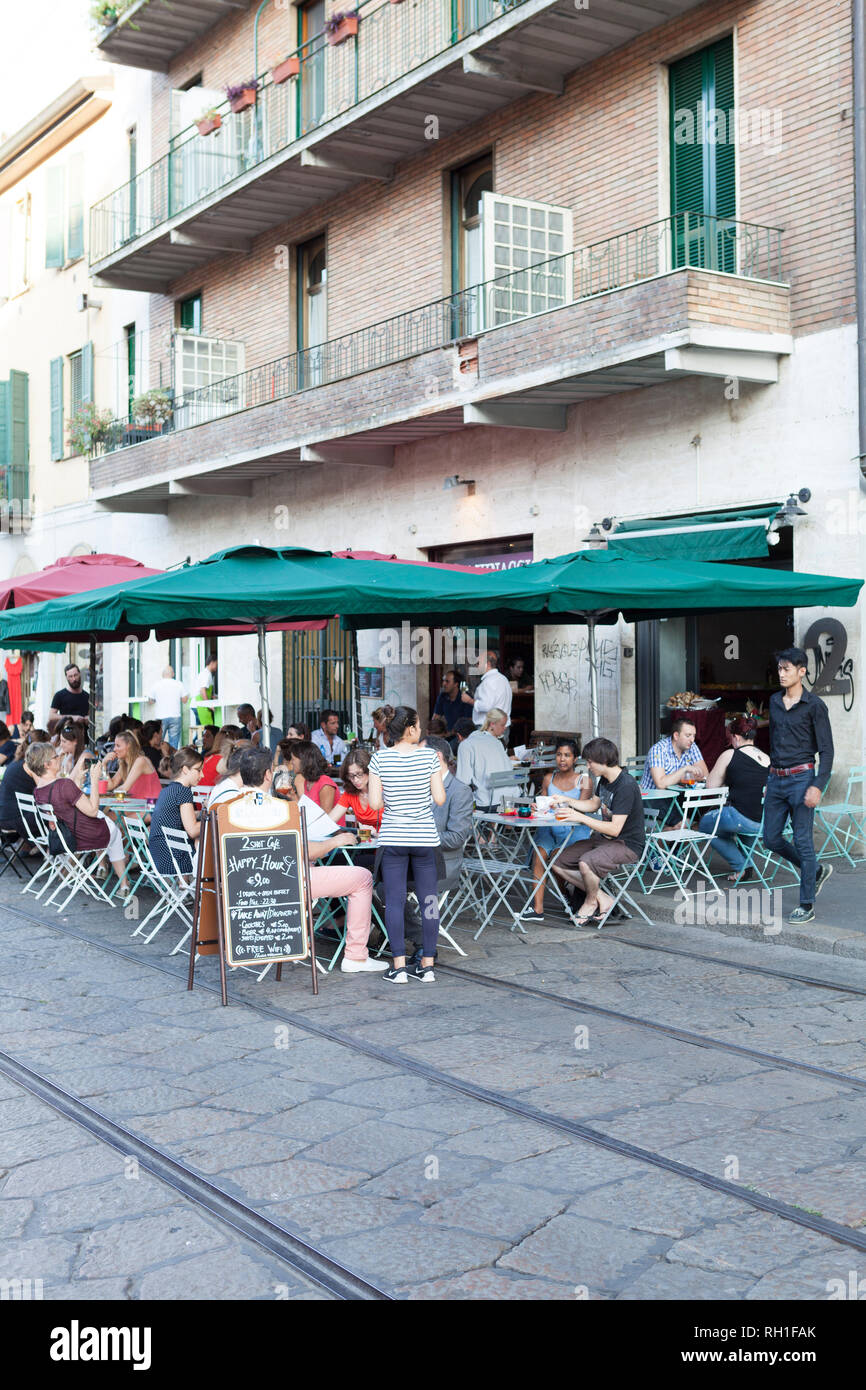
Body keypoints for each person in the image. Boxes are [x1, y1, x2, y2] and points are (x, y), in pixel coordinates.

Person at [235, 747, 387, 974]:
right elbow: (307, 852)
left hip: (251, 888)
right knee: (363, 878)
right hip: (290, 880)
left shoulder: (231, 807)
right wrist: (334, 843)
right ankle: (356, 956)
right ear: (268, 775)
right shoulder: (278, 809)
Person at [368, 706, 446, 983]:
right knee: (429, 902)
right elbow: (439, 798)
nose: (422, 729)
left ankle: (399, 966)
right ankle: (427, 965)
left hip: (393, 838)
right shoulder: (429, 757)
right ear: (410, 729)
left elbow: (375, 804)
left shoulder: (379, 759)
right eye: (419, 725)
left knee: (395, 902)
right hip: (424, 838)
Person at [763, 646, 834, 923]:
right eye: (779, 669)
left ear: (801, 671)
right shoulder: (774, 702)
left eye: (786, 669)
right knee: (770, 838)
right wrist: (770, 775)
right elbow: (774, 741)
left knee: (802, 840)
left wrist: (818, 785)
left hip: (803, 778)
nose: (781, 674)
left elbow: (827, 751)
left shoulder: (815, 705)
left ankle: (806, 904)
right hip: (777, 779)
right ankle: (814, 870)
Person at [551, 736, 646, 926]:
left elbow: (615, 828)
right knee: (557, 861)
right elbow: (594, 803)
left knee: (587, 862)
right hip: (605, 840)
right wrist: (568, 801)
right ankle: (604, 898)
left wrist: (579, 817)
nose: (588, 766)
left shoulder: (626, 785)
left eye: (590, 761)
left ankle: (590, 901)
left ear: (603, 761)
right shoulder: (604, 780)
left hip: (627, 844)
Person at [404, 734, 474, 965]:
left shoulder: (459, 791)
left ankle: (426, 943)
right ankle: (418, 938)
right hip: (413, 859)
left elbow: (455, 838)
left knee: (418, 892)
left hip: (442, 864)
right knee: (377, 883)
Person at [27, 741, 129, 893]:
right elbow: (93, 811)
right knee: (113, 831)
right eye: (56, 757)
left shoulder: (39, 790)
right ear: (47, 764)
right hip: (83, 838)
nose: (59, 759)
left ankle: (109, 872)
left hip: (64, 837)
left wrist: (78, 784)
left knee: (109, 826)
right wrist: (95, 781)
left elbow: (65, 806)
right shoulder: (64, 785)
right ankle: (123, 884)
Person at [521, 738, 595, 925]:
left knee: (555, 858)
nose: (562, 759)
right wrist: (536, 807)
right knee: (539, 855)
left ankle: (565, 897)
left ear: (575, 758)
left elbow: (583, 809)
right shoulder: (549, 778)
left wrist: (561, 806)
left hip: (574, 831)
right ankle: (537, 909)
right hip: (549, 829)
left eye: (567, 755)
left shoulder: (584, 780)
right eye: (559, 755)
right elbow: (544, 807)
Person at [702, 715, 771, 882]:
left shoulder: (730, 754)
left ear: (736, 737)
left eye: (730, 738)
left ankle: (742, 866)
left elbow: (710, 786)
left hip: (741, 819)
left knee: (706, 825)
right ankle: (745, 863)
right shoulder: (767, 758)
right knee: (740, 821)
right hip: (763, 821)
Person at [148, 747, 204, 875]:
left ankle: (188, 889)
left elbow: (178, 816)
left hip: (160, 858)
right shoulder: (183, 792)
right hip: (176, 861)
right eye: (198, 770)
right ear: (185, 769)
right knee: (216, 854)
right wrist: (218, 820)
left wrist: (201, 814)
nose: (202, 775)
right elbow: (193, 830)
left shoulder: (167, 790)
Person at [456, 709, 513, 809]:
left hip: (489, 803)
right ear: (492, 724)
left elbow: (463, 781)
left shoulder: (466, 745)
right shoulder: (497, 743)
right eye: (502, 725)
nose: (504, 729)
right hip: (512, 798)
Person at [640, 717, 708, 793]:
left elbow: (705, 776)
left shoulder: (692, 746)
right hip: (653, 798)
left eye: (694, 736)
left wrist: (675, 778)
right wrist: (685, 769)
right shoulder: (658, 749)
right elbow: (661, 784)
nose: (692, 740)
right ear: (676, 736)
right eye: (688, 736)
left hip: (678, 796)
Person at [329, 748, 382, 834]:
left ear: (369, 771)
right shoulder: (350, 793)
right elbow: (330, 821)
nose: (355, 780)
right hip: (367, 842)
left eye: (359, 774)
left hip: (389, 841)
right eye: (351, 776)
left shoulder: (383, 789)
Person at [103, 730, 163, 801]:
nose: (114, 749)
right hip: (137, 806)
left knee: (102, 811)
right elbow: (110, 786)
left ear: (129, 746)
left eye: (118, 746)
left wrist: (112, 795)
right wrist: (104, 766)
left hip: (151, 807)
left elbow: (124, 788)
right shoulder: (124, 764)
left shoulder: (141, 761)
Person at [463, 650, 512, 732]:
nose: (476, 665)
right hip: (503, 727)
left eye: (478, 663)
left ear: (488, 664)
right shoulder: (504, 679)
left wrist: (469, 700)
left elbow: (486, 706)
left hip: (489, 729)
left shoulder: (488, 682)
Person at [0, 740, 37, 844]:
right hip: (13, 821)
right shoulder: (29, 767)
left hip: (3, 817)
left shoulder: (16, 763)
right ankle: (49, 849)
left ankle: (32, 847)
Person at [146, 665, 188, 750]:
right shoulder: (179, 684)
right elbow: (185, 700)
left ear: (162, 674)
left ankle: (158, 758)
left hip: (161, 717)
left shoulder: (156, 685)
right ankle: (172, 760)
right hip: (175, 716)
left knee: (158, 741)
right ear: (172, 674)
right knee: (174, 743)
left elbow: (150, 701)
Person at [290, 741, 338, 812]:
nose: (291, 762)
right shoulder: (308, 781)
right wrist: (292, 796)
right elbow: (307, 811)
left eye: (293, 759)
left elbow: (326, 818)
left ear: (303, 760)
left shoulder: (325, 784)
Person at [56, 721, 90, 786]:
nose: (61, 745)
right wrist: (59, 759)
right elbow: (61, 777)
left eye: (64, 741)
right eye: (61, 741)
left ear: (75, 741)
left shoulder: (86, 756)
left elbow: (69, 781)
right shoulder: (70, 756)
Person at [192, 655, 218, 728]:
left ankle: (197, 739)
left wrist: (213, 696)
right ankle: (197, 739)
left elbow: (207, 691)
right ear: (212, 663)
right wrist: (209, 704)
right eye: (216, 664)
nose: (217, 666)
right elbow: (202, 690)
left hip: (198, 704)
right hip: (200, 705)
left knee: (201, 728)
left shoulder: (207, 673)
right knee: (207, 728)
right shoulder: (206, 674)